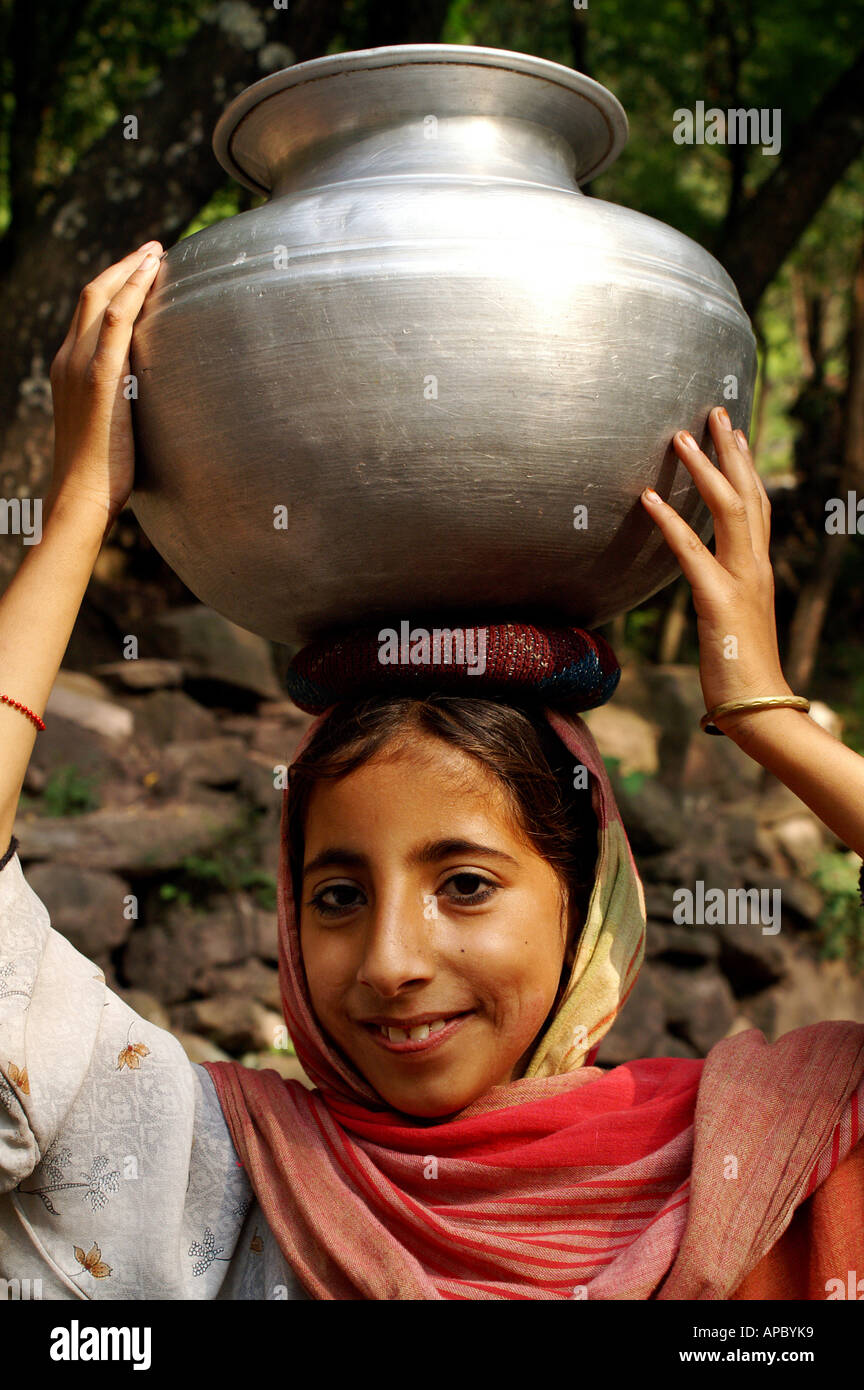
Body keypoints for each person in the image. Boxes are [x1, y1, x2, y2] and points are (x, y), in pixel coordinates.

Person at [1, 246, 863, 1300]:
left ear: (586, 899)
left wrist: (765, 710)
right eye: (337, 895)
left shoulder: (771, 1155)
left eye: (465, 883)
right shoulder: (217, 1177)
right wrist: (78, 509)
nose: (391, 962)